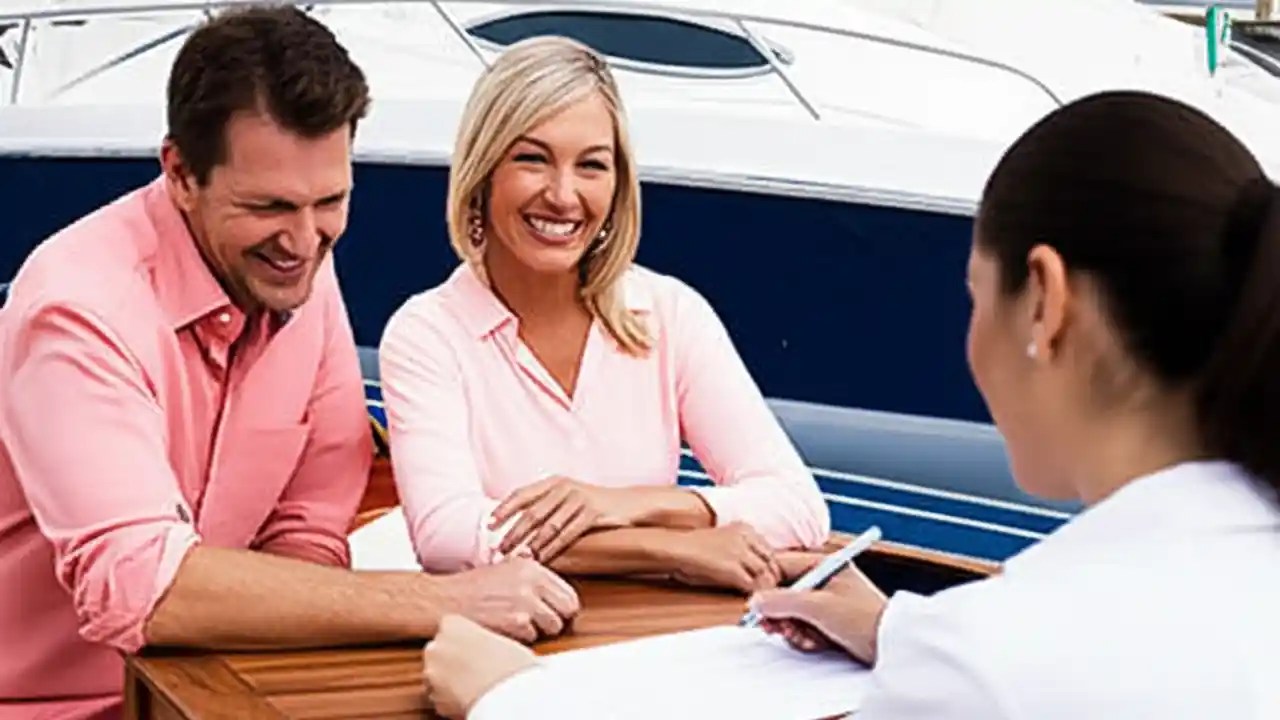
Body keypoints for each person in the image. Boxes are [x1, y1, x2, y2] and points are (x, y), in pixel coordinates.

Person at [415, 89, 1280, 719]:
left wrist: (518, 704)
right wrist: (897, 631)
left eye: (973, 294)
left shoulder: (987, 664)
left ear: (1044, 303)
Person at [0, 7, 578, 719]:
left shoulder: (297, 268)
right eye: (270, 205)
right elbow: (139, 587)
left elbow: (307, 531)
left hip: (219, 687)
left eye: (330, 201)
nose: (304, 241)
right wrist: (446, 601)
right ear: (180, 173)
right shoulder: (78, 307)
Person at [378, 35, 830, 591]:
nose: (563, 196)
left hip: (652, 642)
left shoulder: (669, 313)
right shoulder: (426, 334)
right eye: (532, 159)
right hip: (506, 645)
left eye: (592, 165)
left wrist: (618, 506)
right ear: (483, 170)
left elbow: (798, 506)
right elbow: (448, 536)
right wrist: (669, 549)